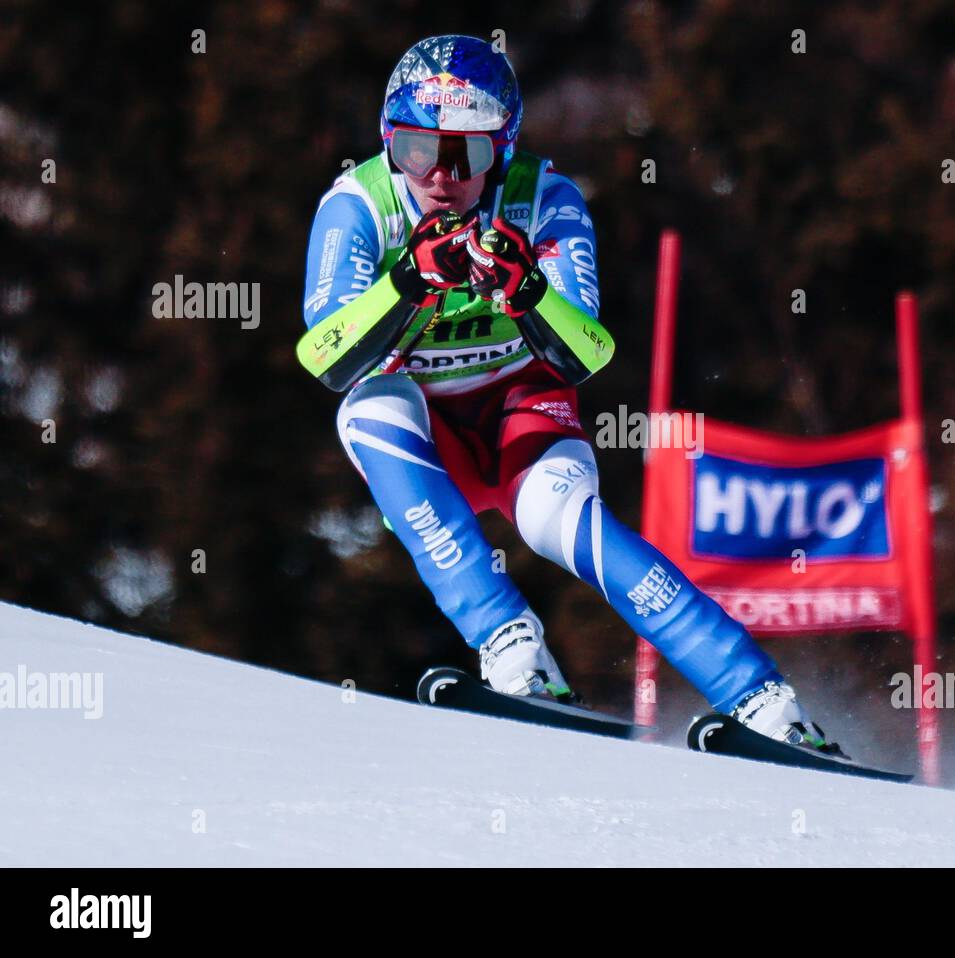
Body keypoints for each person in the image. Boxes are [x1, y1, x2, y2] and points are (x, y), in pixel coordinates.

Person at [302, 34, 838, 750]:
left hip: (519, 413)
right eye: (417, 150)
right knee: (369, 408)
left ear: (507, 149)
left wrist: (528, 291)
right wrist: (406, 283)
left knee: (566, 521)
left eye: (471, 155)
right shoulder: (357, 207)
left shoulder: (544, 199)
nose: (441, 175)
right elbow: (325, 356)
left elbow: (586, 353)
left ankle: (768, 704)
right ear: (388, 142)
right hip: (425, 432)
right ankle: (511, 646)